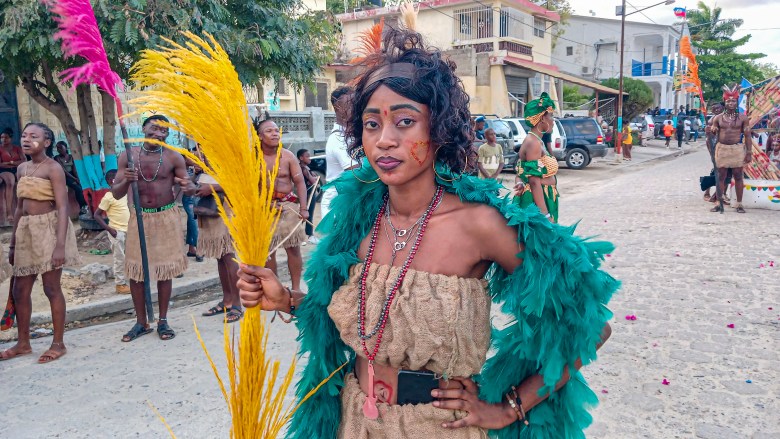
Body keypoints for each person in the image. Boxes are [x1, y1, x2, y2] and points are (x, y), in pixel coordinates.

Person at [237, 29, 616, 439]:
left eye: (405, 121)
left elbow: (591, 326)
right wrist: (287, 300)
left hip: (438, 428)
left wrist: (508, 408)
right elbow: (367, 322)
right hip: (354, 420)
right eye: (370, 124)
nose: (384, 140)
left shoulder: (480, 223)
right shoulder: (358, 217)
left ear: (438, 129)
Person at [0, 123, 80, 363]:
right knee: (20, 290)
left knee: (51, 288)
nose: (26, 140)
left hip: (49, 229)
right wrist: (13, 243)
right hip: (26, 231)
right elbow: (19, 207)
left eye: (34, 136)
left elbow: (63, 206)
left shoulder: (53, 168)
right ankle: (23, 343)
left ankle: (58, 343)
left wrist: (59, 246)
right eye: (24, 135)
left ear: (46, 143)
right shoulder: (22, 168)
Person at [112, 114, 191, 342]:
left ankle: (163, 320)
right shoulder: (128, 156)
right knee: (137, 273)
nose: (158, 134)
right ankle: (141, 322)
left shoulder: (173, 157)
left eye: (163, 131)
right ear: (144, 128)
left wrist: (189, 185)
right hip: (139, 217)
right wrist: (126, 180)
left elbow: (190, 187)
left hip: (166, 216)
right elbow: (116, 193)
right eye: (154, 128)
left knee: (164, 271)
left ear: (168, 135)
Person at [257, 118, 309, 291]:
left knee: (293, 249)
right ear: (260, 136)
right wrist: (263, 203)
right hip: (264, 210)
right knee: (268, 252)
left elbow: (300, 182)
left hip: (288, 207)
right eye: (269, 131)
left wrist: (303, 208)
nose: (274, 133)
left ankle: (295, 289)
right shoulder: (252, 158)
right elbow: (247, 187)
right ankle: (276, 289)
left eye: (276, 130)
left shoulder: (288, 156)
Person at [189, 169, 242, 323]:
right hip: (209, 211)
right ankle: (227, 301)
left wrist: (213, 188)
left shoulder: (228, 152)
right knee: (220, 257)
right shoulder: (203, 155)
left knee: (228, 255)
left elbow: (239, 183)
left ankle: (237, 305)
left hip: (225, 210)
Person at [513, 93, 560, 223]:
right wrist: (544, 215)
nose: (553, 120)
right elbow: (534, 181)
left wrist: (519, 182)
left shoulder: (536, 140)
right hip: (537, 203)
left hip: (544, 197)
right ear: (542, 118)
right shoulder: (533, 143)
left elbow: (521, 173)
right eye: (551, 115)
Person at [710, 85, 753, 213]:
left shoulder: (743, 118)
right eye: (728, 101)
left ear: (736, 102)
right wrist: (712, 130)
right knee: (720, 176)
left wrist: (749, 152)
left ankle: (739, 204)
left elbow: (747, 135)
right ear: (725, 101)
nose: (731, 103)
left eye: (733, 100)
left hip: (736, 149)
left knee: (738, 176)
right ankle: (719, 203)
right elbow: (713, 133)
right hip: (722, 149)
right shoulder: (717, 118)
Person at [322, 86, 359, 219]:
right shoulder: (338, 139)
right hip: (338, 206)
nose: (357, 108)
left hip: (350, 201)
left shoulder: (353, 135)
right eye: (352, 104)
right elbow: (357, 171)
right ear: (339, 108)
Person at [93, 170, 130, 294]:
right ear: (111, 181)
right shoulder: (108, 196)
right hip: (117, 231)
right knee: (119, 258)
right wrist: (109, 229)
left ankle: (129, 279)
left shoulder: (125, 194)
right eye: (117, 179)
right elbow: (97, 215)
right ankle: (120, 284)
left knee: (129, 256)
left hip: (128, 230)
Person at [53, 141, 89, 215]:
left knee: (82, 186)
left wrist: (78, 178)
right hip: (64, 176)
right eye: (57, 148)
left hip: (72, 175)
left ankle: (87, 206)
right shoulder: (57, 158)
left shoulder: (71, 156)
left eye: (60, 147)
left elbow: (74, 169)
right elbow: (64, 171)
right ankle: (83, 207)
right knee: (77, 188)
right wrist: (75, 179)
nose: (59, 149)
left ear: (65, 148)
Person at [0, 127, 26, 224]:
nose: (3, 139)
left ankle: (25, 208)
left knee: (24, 180)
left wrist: (10, 162)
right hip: (3, 170)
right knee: (10, 182)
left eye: (6, 137)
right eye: (2, 137)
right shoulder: (0, 148)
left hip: (16, 169)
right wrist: (14, 162)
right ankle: (9, 213)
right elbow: (0, 164)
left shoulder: (17, 148)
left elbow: (24, 160)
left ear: (10, 138)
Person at [297, 148, 320, 244]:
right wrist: (315, 178)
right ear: (301, 158)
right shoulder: (302, 169)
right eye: (307, 156)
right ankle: (307, 236)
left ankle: (306, 235)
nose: (309, 158)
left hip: (309, 193)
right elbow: (313, 181)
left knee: (307, 215)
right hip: (307, 194)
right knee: (306, 215)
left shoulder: (306, 168)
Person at [182, 150, 201, 261]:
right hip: (189, 199)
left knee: (191, 221)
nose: (193, 158)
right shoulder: (181, 169)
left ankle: (191, 249)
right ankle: (199, 249)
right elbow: (189, 183)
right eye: (190, 157)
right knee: (193, 221)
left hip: (193, 198)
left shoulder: (191, 168)